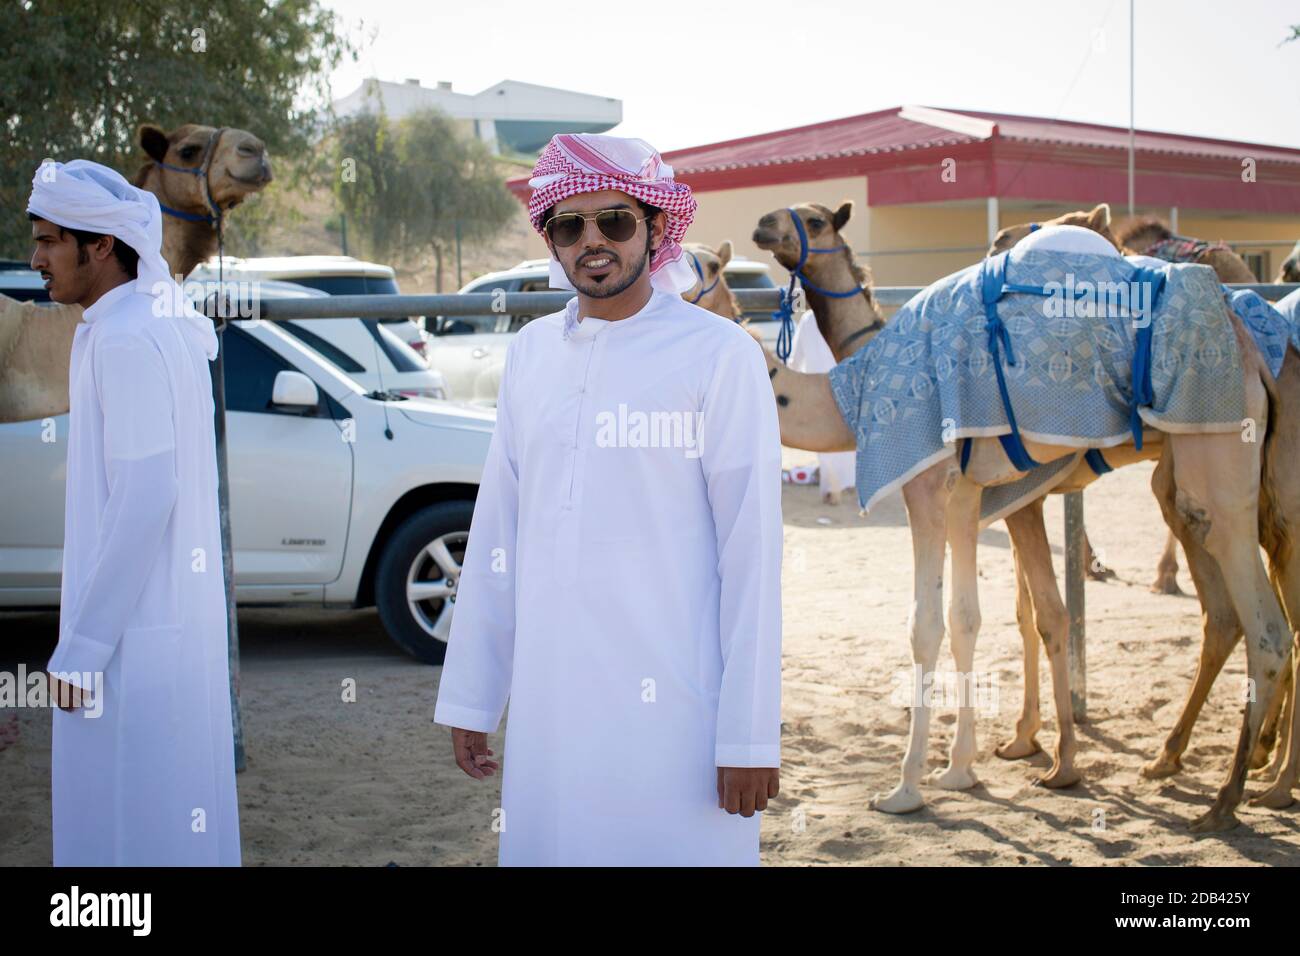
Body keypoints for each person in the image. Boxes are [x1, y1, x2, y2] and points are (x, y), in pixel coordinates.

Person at [433, 133, 783, 866]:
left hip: (680, 710)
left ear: (655, 229)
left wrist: (749, 735)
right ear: (552, 241)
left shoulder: (718, 356)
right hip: (551, 707)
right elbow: (498, 530)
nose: (593, 241)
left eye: (615, 221)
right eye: (570, 225)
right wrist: (473, 694)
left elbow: (751, 554)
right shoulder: (531, 355)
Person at [29, 159, 239, 866]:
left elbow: (147, 495)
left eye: (51, 240)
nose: (37, 259)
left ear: (100, 245)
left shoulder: (124, 337)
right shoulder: (151, 321)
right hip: (159, 626)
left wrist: (83, 647)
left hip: (130, 638)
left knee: (129, 826)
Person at [788, 311, 856, 504]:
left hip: (816, 388)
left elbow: (795, 359)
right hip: (843, 383)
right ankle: (846, 483)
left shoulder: (808, 319)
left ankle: (832, 488)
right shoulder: (838, 314)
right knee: (845, 434)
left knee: (825, 440)